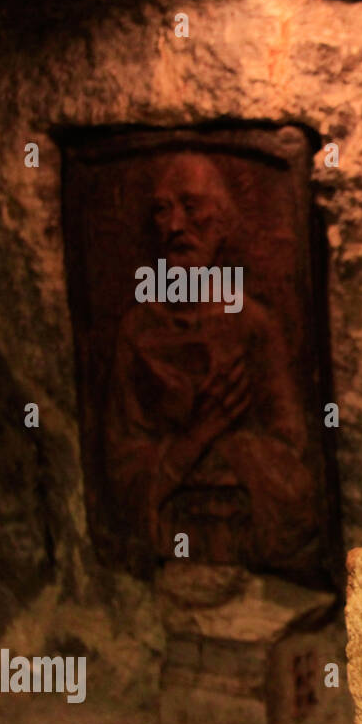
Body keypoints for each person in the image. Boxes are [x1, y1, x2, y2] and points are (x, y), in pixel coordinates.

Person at [104, 152, 318, 572]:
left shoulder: (254, 325)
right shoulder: (137, 330)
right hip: (167, 531)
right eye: (162, 210)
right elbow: (119, 465)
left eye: (191, 206)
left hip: (241, 532)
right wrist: (197, 437)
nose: (175, 225)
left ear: (221, 224)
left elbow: (292, 460)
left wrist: (227, 446)